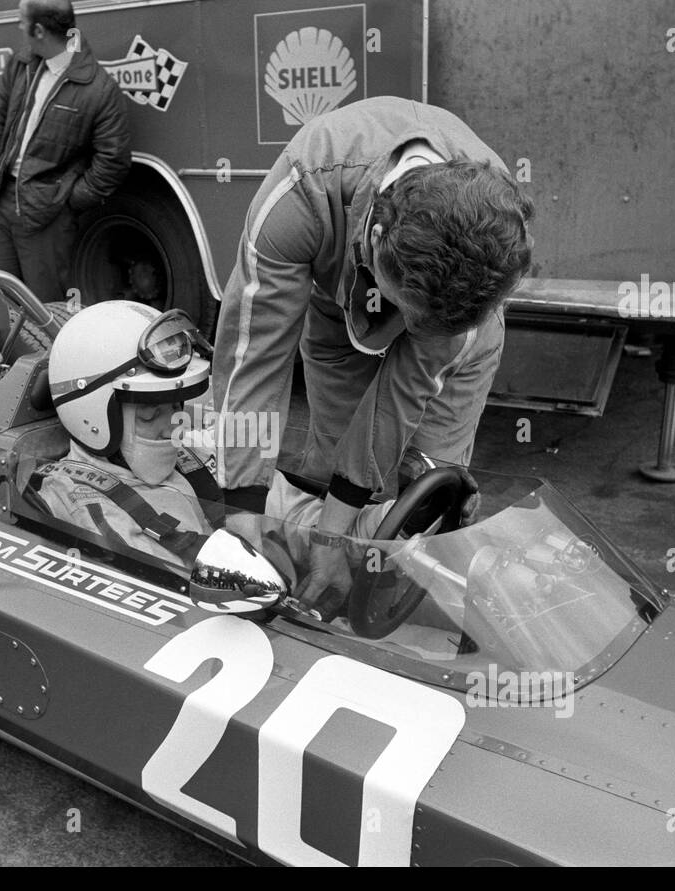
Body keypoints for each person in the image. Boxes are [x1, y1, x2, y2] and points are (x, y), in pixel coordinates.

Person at [210, 95, 531, 611]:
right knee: (331, 481)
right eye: (405, 313)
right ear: (377, 241)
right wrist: (245, 523)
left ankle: (416, 624)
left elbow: (403, 393)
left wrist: (340, 535)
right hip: (341, 320)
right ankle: (321, 596)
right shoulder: (302, 191)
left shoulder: (490, 241)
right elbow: (254, 359)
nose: (404, 333)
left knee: (424, 508)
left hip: (456, 346)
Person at [28, 301, 404, 589]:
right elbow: (177, 602)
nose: (171, 425)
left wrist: (397, 523)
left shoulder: (203, 448)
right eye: (148, 414)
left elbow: (301, 521)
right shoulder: (85, 505)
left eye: (176, 405)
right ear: (93, 416)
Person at [0, 0, 130, 301]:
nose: (18, 27)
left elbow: (114, 159)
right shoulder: (22, 64)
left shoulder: (98, 88)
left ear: (39, 30)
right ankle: (17, 351)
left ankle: (47, 352)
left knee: (45, 309)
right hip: (0, 204)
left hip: (45, 216)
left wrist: (67, 200)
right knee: (7, 298)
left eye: (20, 20)